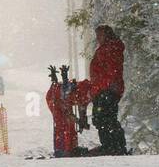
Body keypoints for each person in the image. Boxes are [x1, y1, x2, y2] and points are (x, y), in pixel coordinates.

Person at [71, 25, 127, 155]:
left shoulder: (110, 49)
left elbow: (110, 72)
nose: (97, 38)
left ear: (107, 35)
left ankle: (111, 146)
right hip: (105, 89)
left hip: (106, 90)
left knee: (104, 118)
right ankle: (114, 145)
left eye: (100, 35)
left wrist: (100, 87)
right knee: (104, 118)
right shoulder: (109, 48)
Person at [45, 67, 80, 157]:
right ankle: (65, 148)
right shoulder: (63, 90)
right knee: (64, 127)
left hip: (60, 106)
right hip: (58, 106)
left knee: (65, 127)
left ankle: (66, 147)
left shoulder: (63, 89)